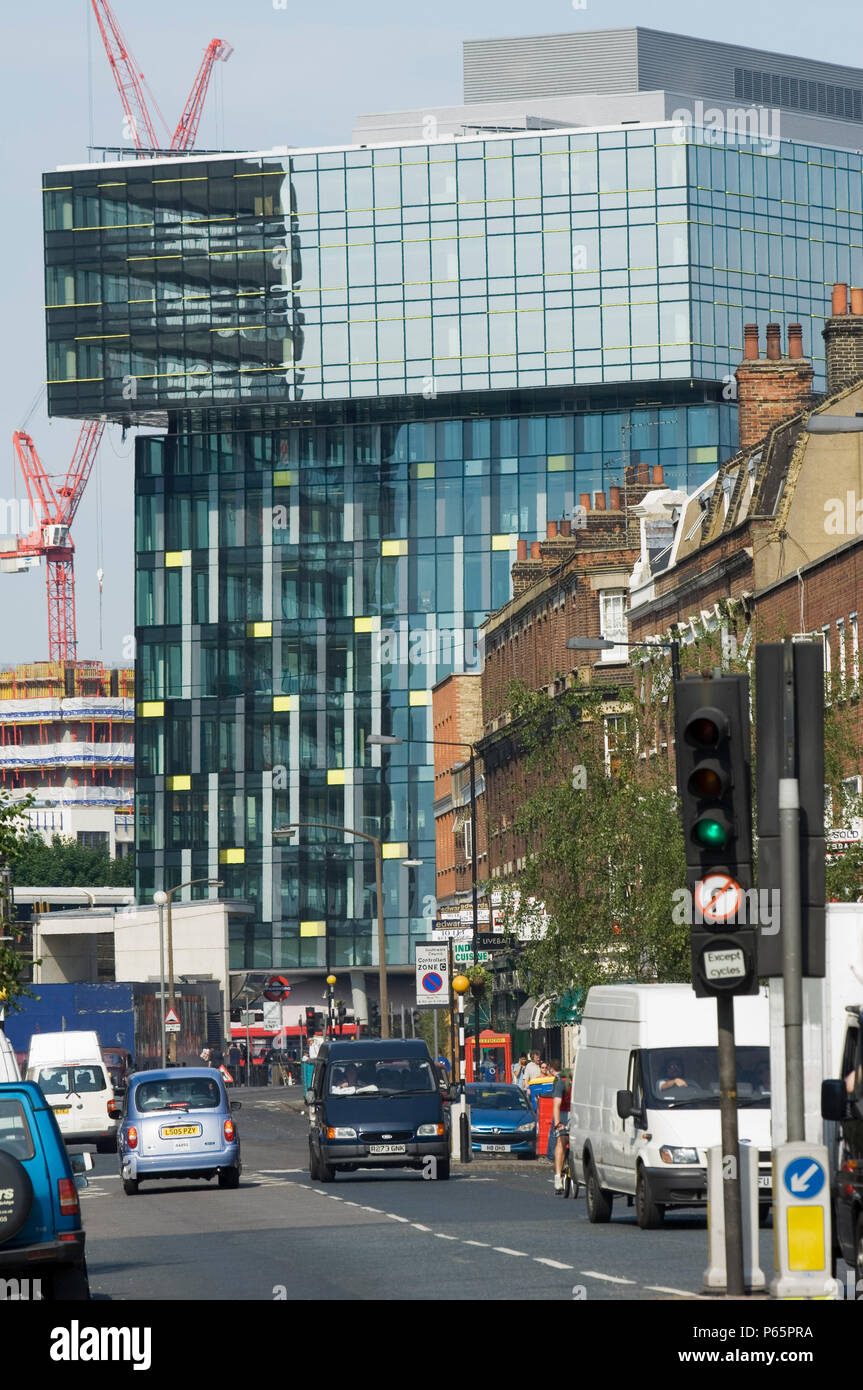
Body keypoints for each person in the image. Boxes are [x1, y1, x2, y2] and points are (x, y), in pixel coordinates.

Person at [548, 1060, 570, 1193]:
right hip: (562, 1113)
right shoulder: (561, 1083)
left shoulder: (582, 1082)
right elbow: (556, 1105)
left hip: (576, 1112)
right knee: (561, 1141)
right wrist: (557, 1124)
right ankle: (557, 1176)